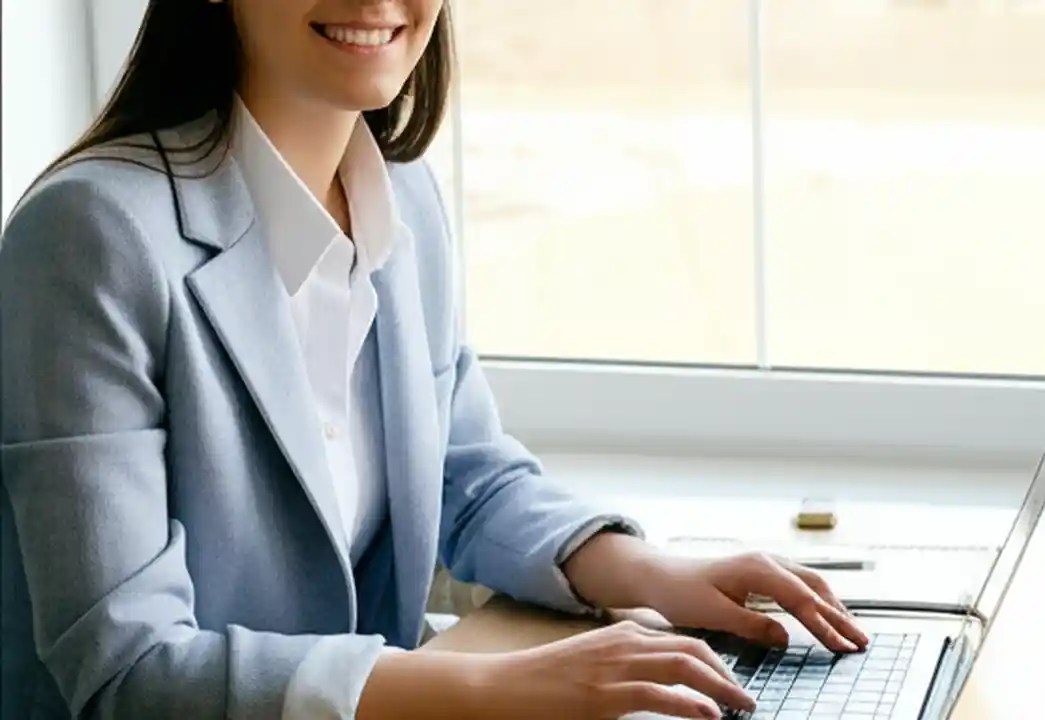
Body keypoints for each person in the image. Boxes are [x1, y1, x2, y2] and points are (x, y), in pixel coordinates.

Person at [0, 1, 866, 718]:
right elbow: (127, 669)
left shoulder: (403, 194)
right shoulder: (90, 236)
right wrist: (498, 682)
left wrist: (653, 574)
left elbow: (467, 477)